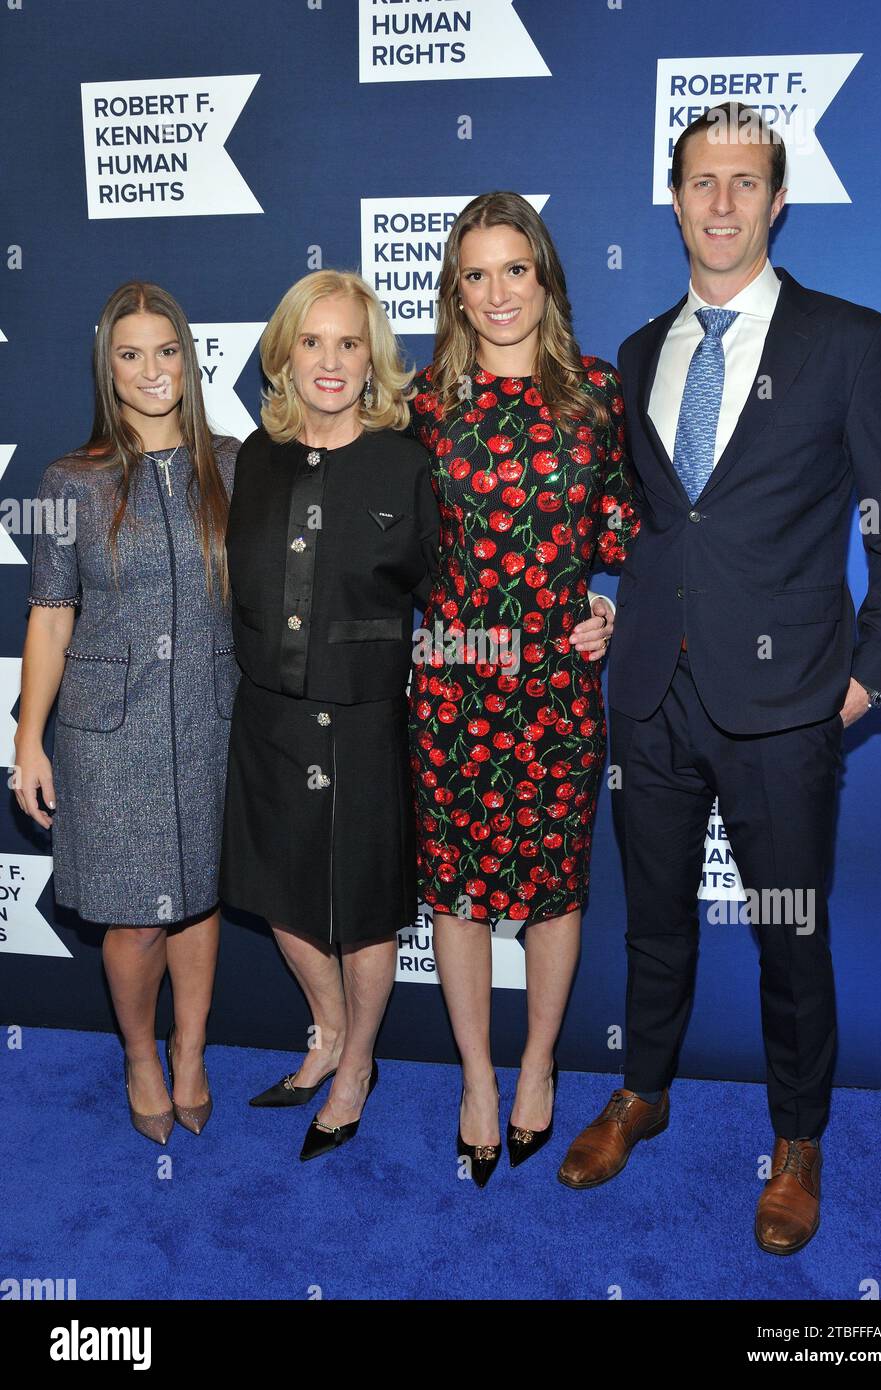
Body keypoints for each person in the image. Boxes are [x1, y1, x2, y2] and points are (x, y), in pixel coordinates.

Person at [558, 104, 881, 1253]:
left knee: (787, 932)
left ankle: (797, 1139)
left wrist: (868, 679)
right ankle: (644, 1090)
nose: (719, 202)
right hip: (653, 700)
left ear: (775, 202)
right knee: (655, 924)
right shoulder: (630, 355)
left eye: (743, 182)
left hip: (785, 709)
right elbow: (644, 528)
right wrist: (600, 604)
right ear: (671, 199)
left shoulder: (851, 339)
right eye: (700, 180)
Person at [409, 192, 638, 1185]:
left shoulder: (594, 392)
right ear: (454, 293)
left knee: (551, 889)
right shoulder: (422, 404)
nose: (497, 292)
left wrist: (618, 608)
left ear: (543, 277)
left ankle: (537, 1063)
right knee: (455, 890)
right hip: (455, 681)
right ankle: (474, 1079)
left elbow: (628, 526)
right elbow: (385, 542)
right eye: (475, 274)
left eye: (515, 269)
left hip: (554, 682)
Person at [220, 270, 438, 1162]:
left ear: (373, 356)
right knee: (279, 890)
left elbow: (454, 592)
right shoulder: (253, 461)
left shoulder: (406, 462)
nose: (331, 361)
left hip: (365, 715)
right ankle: (328, 1032)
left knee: (364, 906)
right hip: (267, 712)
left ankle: (357, 1068)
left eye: (350, 343)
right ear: (283, 355)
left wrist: (595, 613)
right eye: (312, 342)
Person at [16, 280, 241, 1144]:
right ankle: (141, 1056)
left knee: (198, 898)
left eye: (168, 350)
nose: (153, 370)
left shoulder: (232, 461)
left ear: (189, 357)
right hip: (109, 733)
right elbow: (49, 613)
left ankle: (192, 1052)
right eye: (131, 354)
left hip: (214, 721)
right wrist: (27, 736)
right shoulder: (69, 481)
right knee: (137, 919)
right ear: (107, 369)